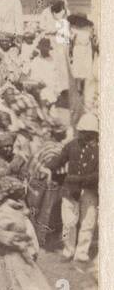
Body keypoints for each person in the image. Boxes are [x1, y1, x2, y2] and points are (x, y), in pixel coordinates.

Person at [53, 112, 98, 262]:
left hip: (90, 189)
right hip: (70, 188)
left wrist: (82, 179)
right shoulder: (71, 145)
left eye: (92, 134)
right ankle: (68, 249)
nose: (89, 137)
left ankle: (82, 252)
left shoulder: (101, 148)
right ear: (80, 131)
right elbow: (58, 161)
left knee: (88, 221)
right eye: (85, 133)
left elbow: (101, 172)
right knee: (68, 221)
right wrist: (47, 168)